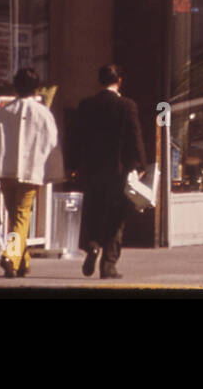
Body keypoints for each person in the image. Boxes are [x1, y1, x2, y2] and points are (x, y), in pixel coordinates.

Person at [0, 67, 63, 278]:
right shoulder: (43, 113)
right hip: (30, 171)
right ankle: (11, 255)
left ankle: (21, 262)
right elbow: (51, 143)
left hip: (6, 172)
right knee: (21, 217)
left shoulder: (5, 112)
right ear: (36, 88)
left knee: (16, 217)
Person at [69, 65, 147, 279]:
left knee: (93, 211)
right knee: (116, 217)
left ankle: (92, 244)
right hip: (118, 171)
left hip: (92, 170)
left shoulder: (86, 105)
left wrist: (73, 165)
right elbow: (135, 136)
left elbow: (76, 137)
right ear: (119, 81)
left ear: (99, 81)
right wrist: (140, 164)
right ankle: (108, 264)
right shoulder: (127, 106)